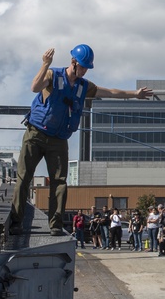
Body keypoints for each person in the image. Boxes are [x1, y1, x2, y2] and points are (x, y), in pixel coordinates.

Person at [10, 45, 153, 236]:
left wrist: (134, 95)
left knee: (59, 182)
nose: (84, 70)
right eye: (83, 66)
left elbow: (109, 92)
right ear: (73, 62)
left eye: (87, 68)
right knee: (24, 177)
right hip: (36, 134)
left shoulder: (83, 86)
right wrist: (45, 64)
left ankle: (55, 224)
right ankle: (16, 221)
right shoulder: (53, 75)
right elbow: (35, 87)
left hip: (59, 140)